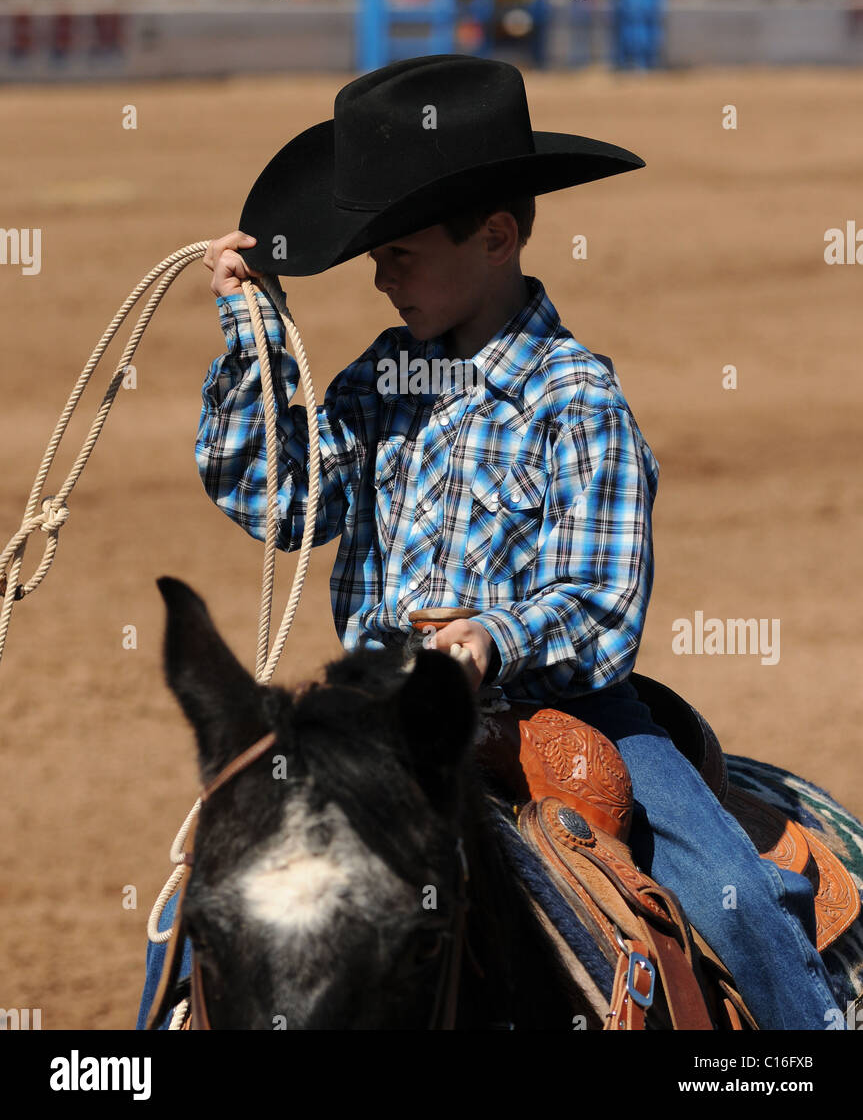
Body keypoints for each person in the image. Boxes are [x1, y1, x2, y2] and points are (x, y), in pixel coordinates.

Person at [136, 54, 840, 1030]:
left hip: (570, 714)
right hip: (384, 712)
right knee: (209, 888)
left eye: (399, 254)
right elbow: (280, 505)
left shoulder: (575, 396)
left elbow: (598, 604)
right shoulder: (377, 378)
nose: (378, 278)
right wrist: (249, 341)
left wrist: (487, 638)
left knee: (740, 900)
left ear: (496, 235)